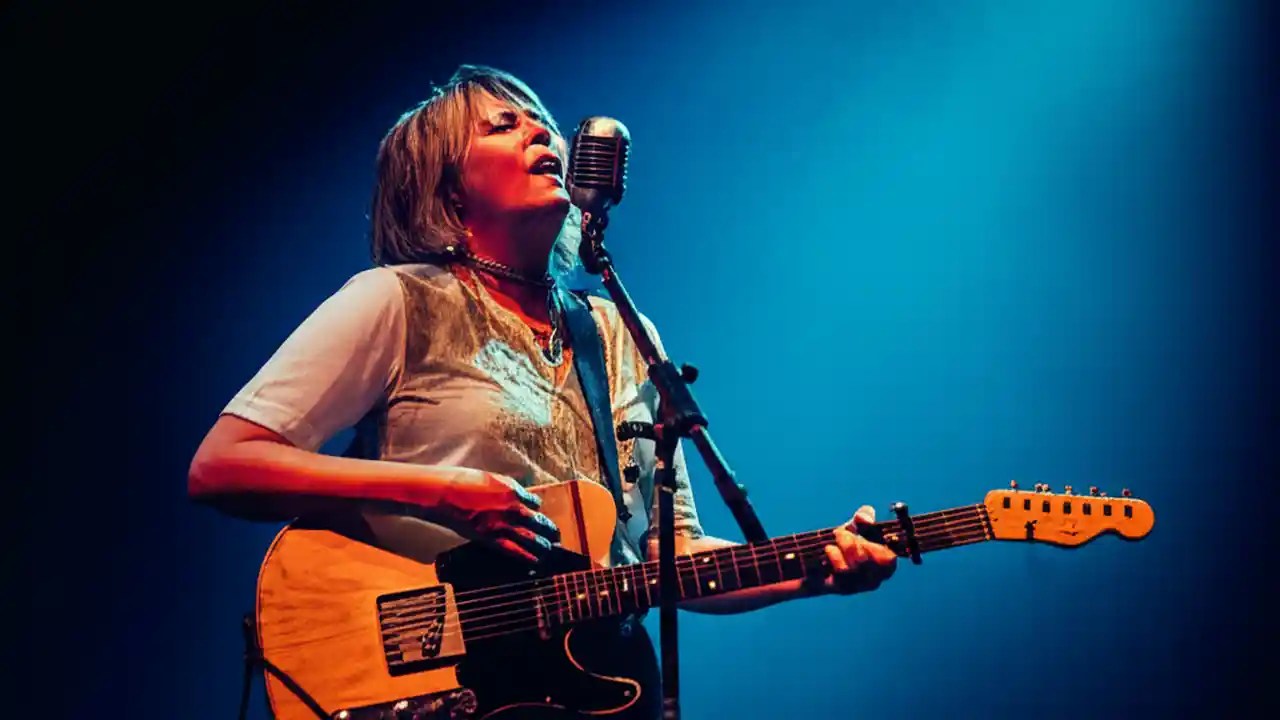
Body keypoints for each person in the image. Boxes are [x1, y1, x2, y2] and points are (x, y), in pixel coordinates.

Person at [189, 64, 897, 717]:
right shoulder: (396, 302)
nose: (539, 130)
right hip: (418, 684)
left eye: (539, 120)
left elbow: (663, 554)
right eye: (503, 125)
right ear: (447, 184)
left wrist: (814, 569)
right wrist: (439, 491)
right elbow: (224, 465)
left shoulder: (618, 330)